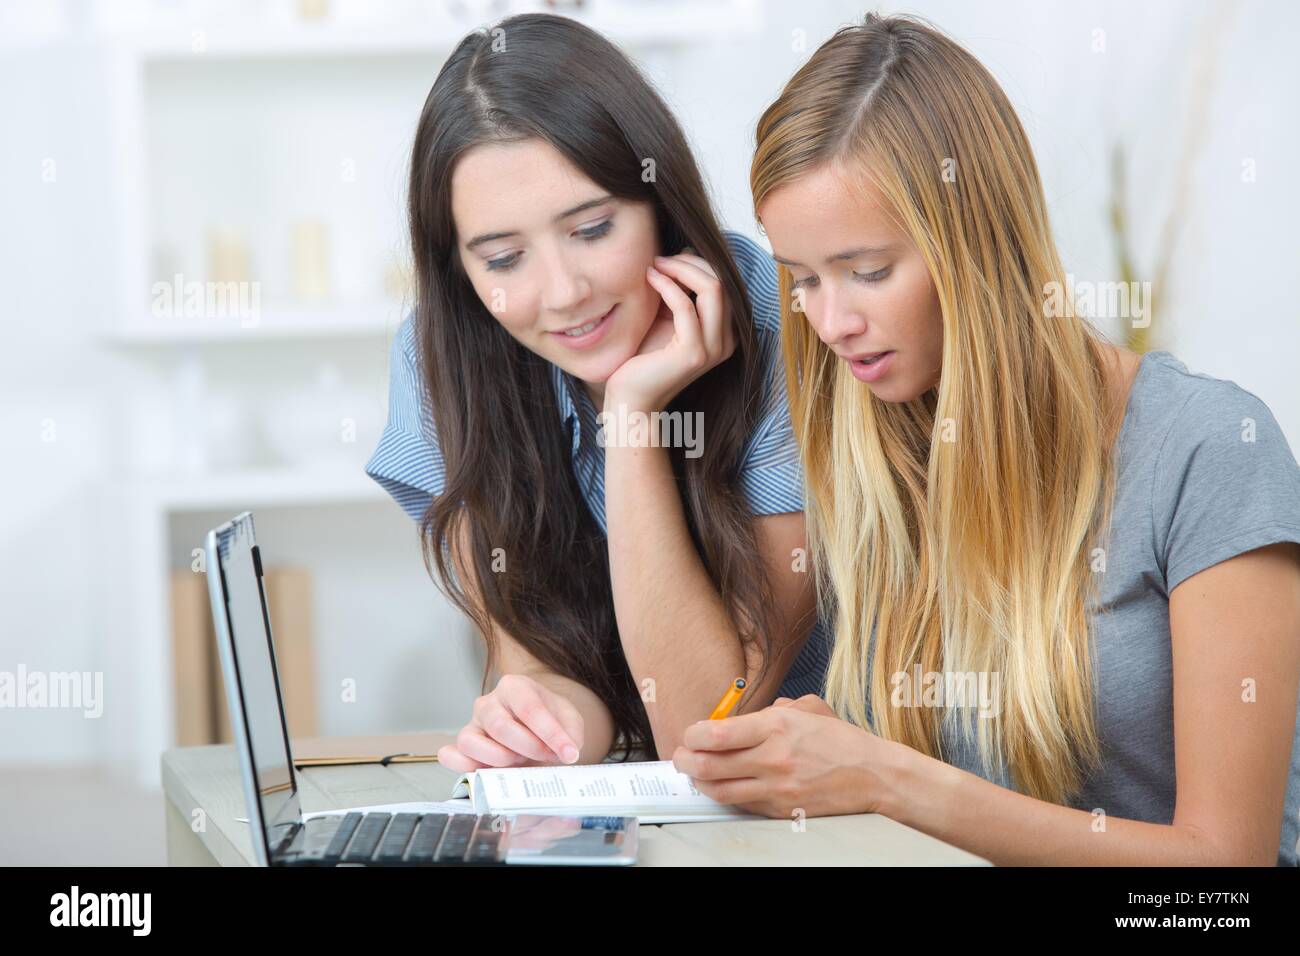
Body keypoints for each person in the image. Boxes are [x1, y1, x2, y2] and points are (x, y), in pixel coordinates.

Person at [673, 13, 1300, 866]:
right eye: (804, 280)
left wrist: (886, 779)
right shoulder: (863, 445)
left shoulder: (1208, 448)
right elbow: (712, 699)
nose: (830, 322)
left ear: (978, 244)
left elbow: (1225, 874)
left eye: (867, 272)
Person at [365, 13, 830, 773]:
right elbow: (542, 661)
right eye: (504, 258)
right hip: (651, 806)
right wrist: (543, 724)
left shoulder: (791, 330)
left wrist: (632, 418)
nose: (563, 294)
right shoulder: (441, 360)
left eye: (591, 230)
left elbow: (709, 724)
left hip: (838, 810)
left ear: (662, 205)